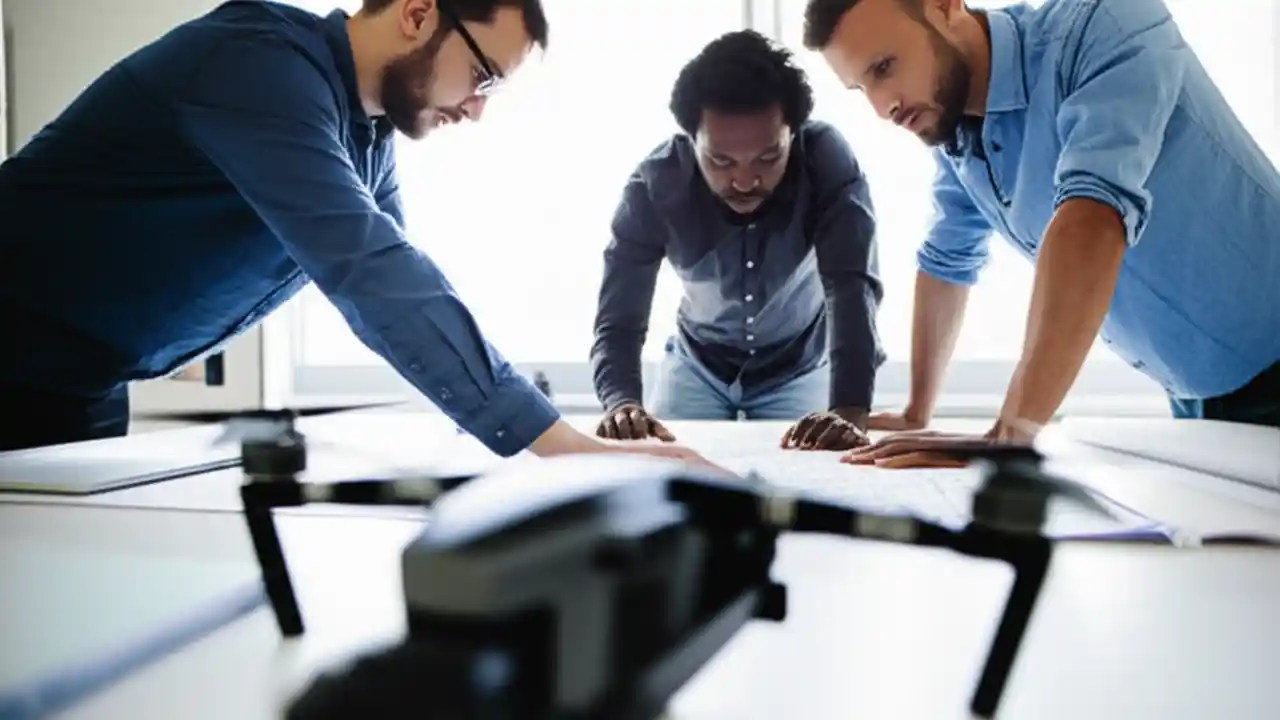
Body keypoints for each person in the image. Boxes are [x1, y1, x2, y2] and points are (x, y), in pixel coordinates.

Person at [0, 0, 707, 466]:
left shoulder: (364, 138)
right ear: (418, 12)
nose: (476, 109)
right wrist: (560, 444)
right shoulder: (258, 64)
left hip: (77, 382)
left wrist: (537, 433)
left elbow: (403, 283)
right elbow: (371, 273)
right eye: (484, 77)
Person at [799, 0, 1280, 468]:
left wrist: (1014, 432)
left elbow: (1091, 217)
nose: (884, 108)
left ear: (945, 6)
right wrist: (916, 412)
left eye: (884, 67)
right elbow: (946, 259)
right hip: (1199, 395)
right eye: (861, 89)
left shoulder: (1107, 22)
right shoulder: (958, 132)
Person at [590, 30, 884, 452]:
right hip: (696, 367)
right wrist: (620, 402)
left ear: (794, 134)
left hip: (798, 368)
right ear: (691, 140)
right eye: (720, 160)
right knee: (660, 475)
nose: (745, 180)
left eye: (768, 157)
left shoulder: (825, 160)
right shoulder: (654, 184)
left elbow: (852, 286)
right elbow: (619, 317)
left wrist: (850, 411)